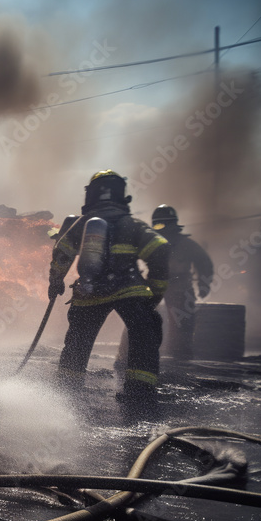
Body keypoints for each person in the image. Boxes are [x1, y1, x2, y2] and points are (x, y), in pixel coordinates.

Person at [49, 170, 170, 409]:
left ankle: (65, 395)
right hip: (130, 291)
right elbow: (160, 249)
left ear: (90, 196)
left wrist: (56, 281)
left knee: (77, 343)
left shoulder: (82, 224)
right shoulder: (131, 224)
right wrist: (155, 292)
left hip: (89, 293)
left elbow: (62, 252)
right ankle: (139, 393)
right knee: (144, 335)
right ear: (122, 195)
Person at [151, 205, 214, 361]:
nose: (161, 229)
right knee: (139, 317)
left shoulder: (186, 244)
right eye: (157, 226)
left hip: (179, 285)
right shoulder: (150, 242)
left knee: (183, 322)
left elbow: (204, 263)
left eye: (162, 225)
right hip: (154, 282)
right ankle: (133, 353)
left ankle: (181, 356)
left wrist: (204, 284)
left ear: (173, 224)